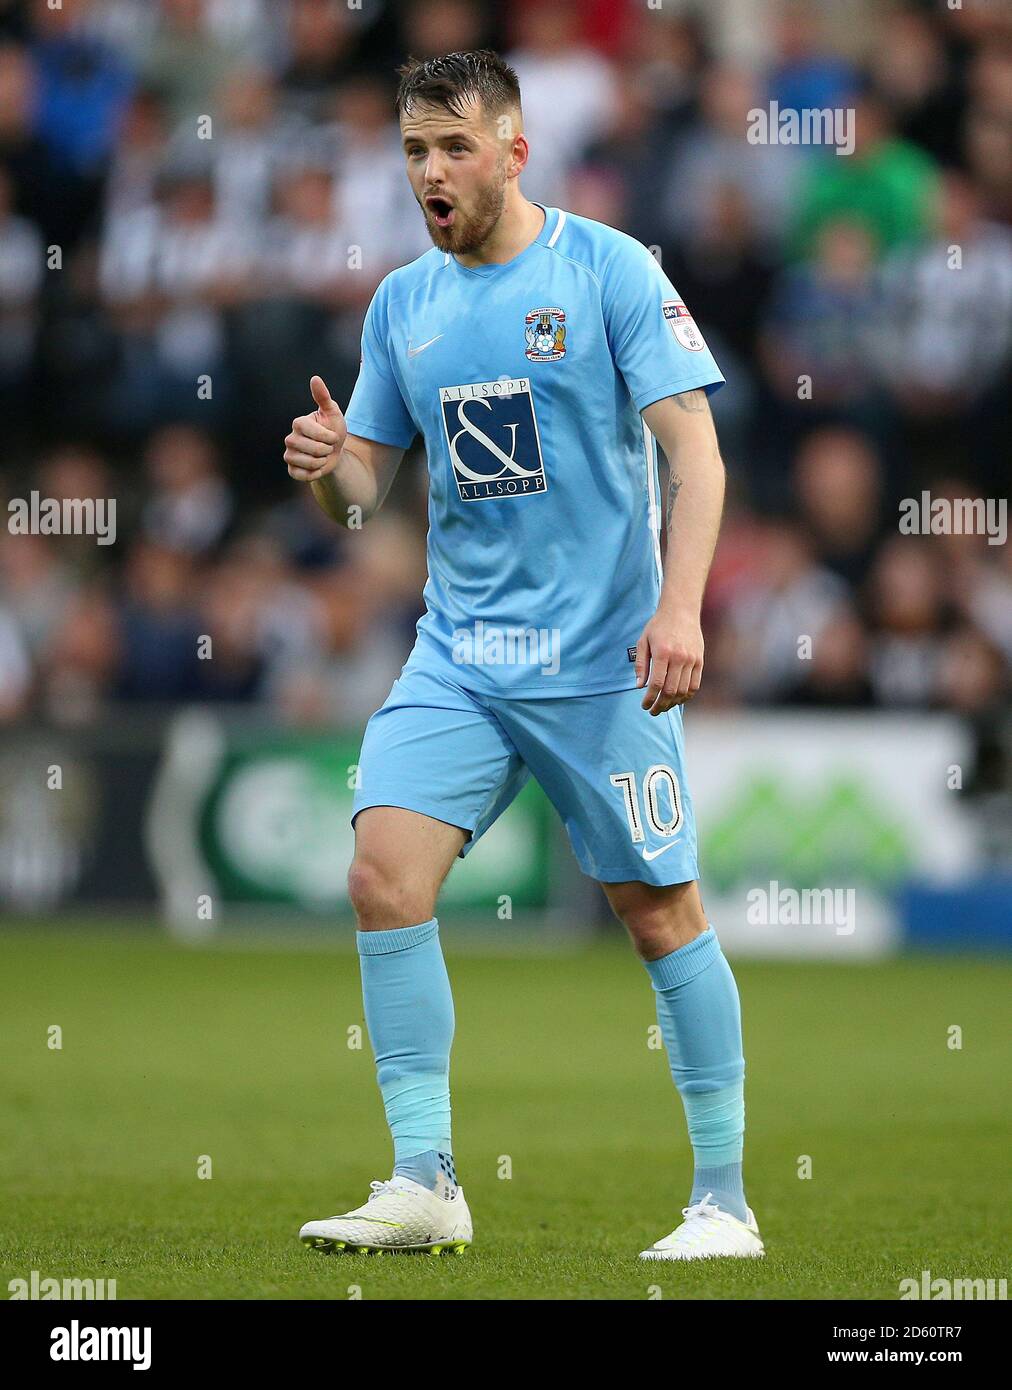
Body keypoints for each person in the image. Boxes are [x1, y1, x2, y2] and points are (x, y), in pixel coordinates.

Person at [284, 49, 762, 1262]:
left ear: (513, 150)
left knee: (659, 916)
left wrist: (684, 611)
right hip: (459, 654)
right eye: (411, 152)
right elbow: (365, 504)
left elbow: (695, 457)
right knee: (382, 876)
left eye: (452, 148)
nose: (429, 173)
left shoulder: (607, 269)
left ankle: (724, 1201)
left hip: (604, 657)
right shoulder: (404, 304)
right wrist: (327, 469)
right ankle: (425, 1180)